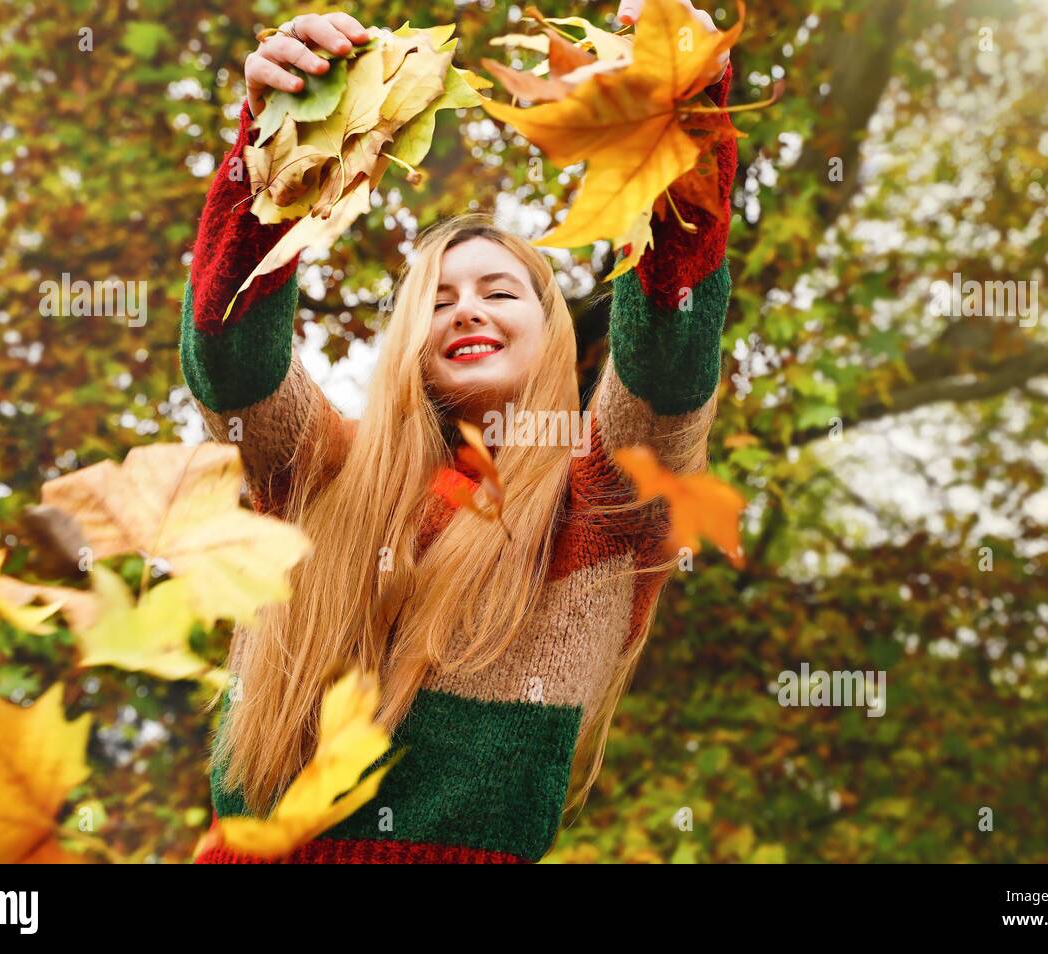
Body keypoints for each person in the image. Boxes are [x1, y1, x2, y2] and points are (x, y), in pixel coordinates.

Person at [184, 3, 737, 863]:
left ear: (554, 330)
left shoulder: (602, 500)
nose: (466, 307)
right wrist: (280, 149)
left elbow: (668, 364)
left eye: (500, 291)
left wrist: (676, 125)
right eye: (437, 299)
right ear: (408, 339)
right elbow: (233, 366)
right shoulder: (324, 468)